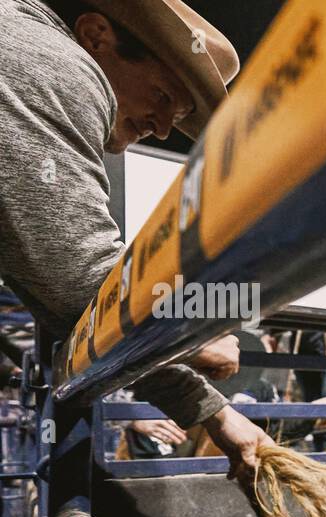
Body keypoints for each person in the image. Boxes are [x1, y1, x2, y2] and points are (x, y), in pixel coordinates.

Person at [0, 0, 271, 481]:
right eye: (164, 96)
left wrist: (214, 413)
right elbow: (82, 281)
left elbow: (79, 305)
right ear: (96, 36)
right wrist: (194, 334)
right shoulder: (56, 65)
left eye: (179, 114)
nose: (163, 128)